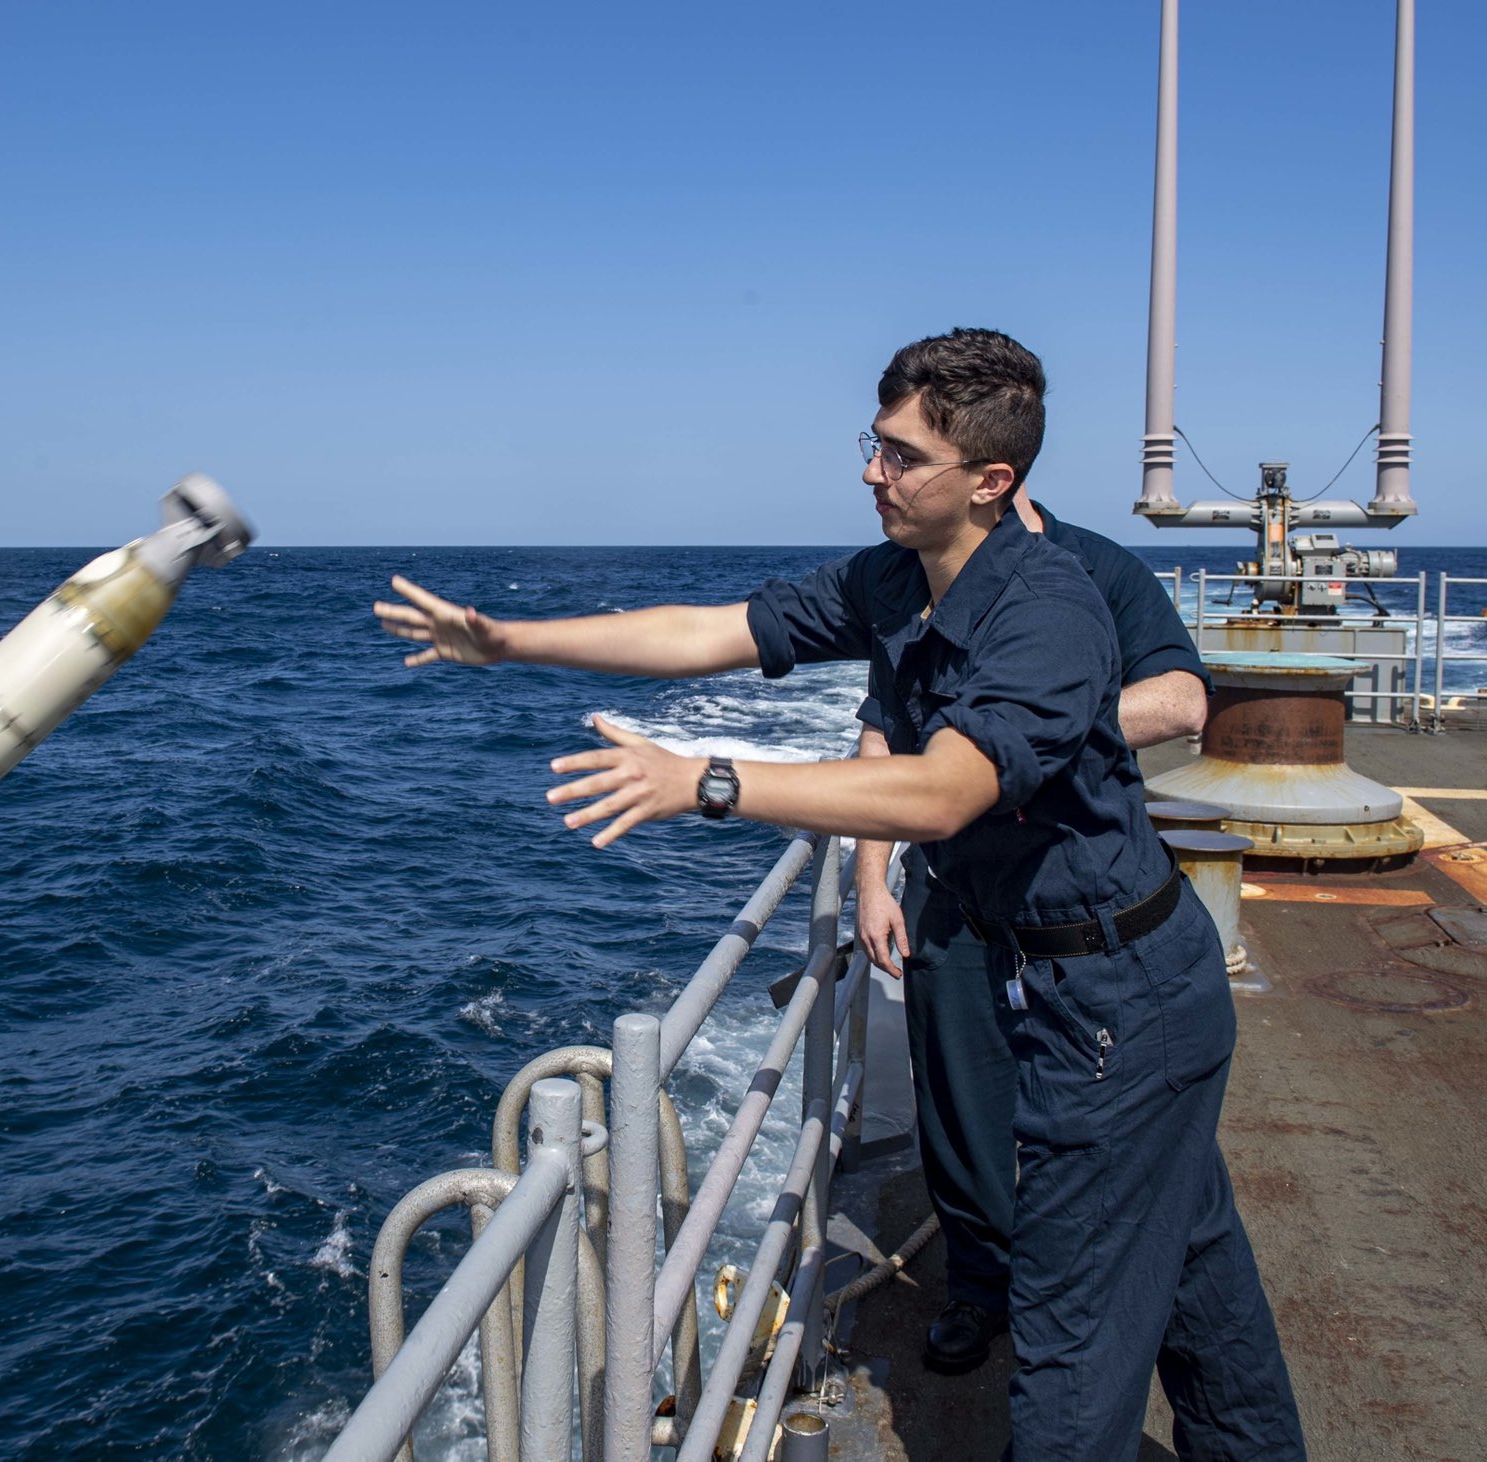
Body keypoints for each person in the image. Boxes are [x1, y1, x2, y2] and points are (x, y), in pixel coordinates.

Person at [374, 327, 1304, 1460]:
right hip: (1076, 978)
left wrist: (706, 780)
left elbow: (939, 793)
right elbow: (710, 630)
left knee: (1066, 1354)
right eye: (872, 445)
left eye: (902, 456)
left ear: (988, 482)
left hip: (1116, 1002)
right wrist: (507, 639)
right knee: (1199, 1281)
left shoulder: (1050, 613)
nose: (873, 471)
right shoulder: (893, 578)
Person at [852, 488, 1211, 1376]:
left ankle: (1077, 1292)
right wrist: (870, 878)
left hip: (1068, 904)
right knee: (959, 1101)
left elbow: (1181, 698)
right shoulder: (916, 583)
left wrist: (1023, 737)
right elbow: (880, 737)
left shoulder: (1095, 569)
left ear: (996, 490)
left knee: (1091, 1113)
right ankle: (979, 1286)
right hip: (952, 896)